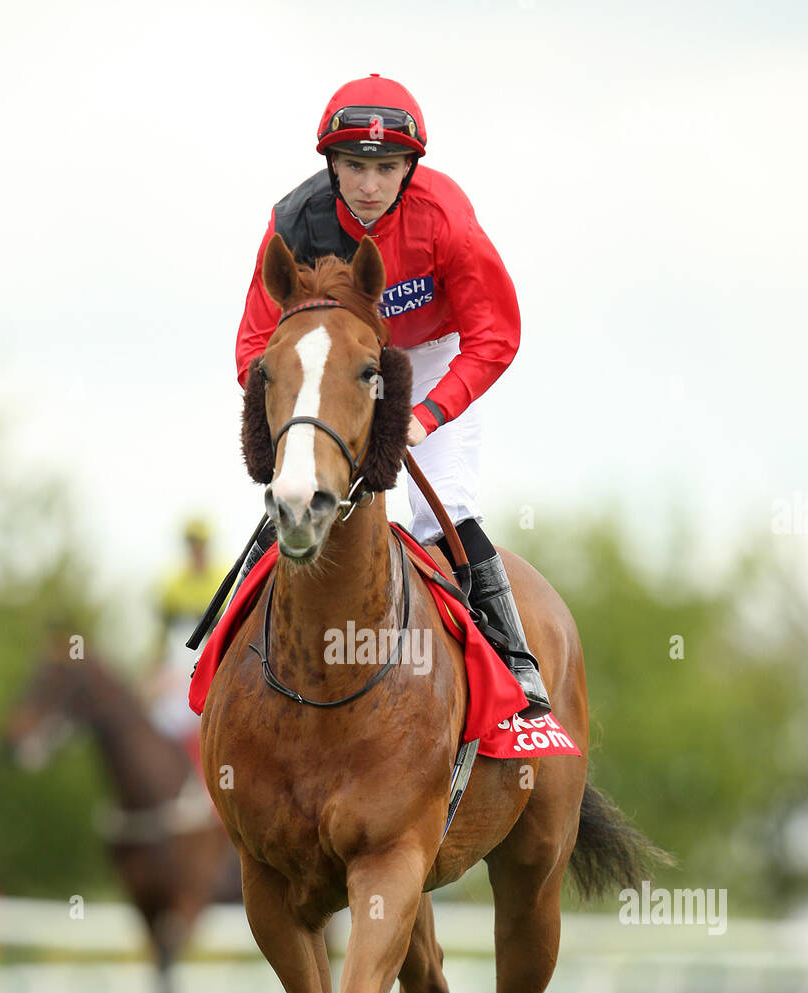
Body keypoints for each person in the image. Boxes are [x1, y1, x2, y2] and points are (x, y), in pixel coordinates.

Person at [234, 74, 550, 716]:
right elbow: (253, 350)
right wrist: (300, 417)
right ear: (331, 164)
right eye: (354, 166)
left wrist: (426, 416)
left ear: (409, 165)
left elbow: (496, 335)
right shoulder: (293, 222)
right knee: (291, 502)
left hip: (430, 358)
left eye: (387, 167)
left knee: (444, 516)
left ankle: (518, 672)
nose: (370, 186)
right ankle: (225, 660)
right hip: (326, 368)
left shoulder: (446, 218)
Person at [148, 518, 230, 761]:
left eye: (200, 544)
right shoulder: (172, 586)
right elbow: (163, 635)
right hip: (178, 668)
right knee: (161, 721)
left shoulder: (222, 579)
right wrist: (157, 670)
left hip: (213, 664)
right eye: (192, 544)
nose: (196, 550)